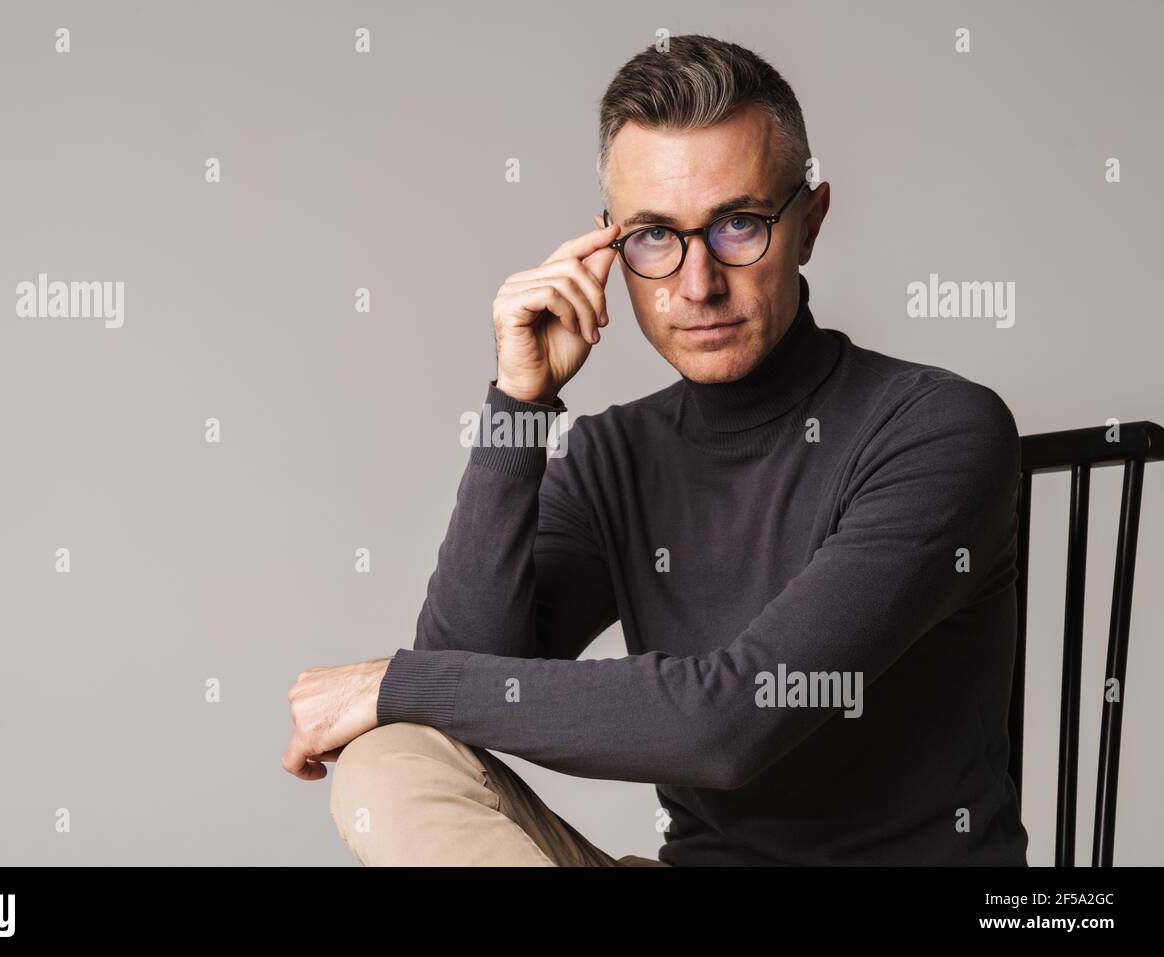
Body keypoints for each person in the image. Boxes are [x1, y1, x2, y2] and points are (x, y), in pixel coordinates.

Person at [282, 34, 1029, 867]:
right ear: (608, 249)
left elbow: (732, 724)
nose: (697, 282)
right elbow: (463, 687)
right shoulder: (616, 457)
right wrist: (518, 406)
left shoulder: (940, 429)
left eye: (739, 224)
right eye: (654, 237)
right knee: (394, 759)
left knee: (399, 711)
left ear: (810, 222)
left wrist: (396, 681)